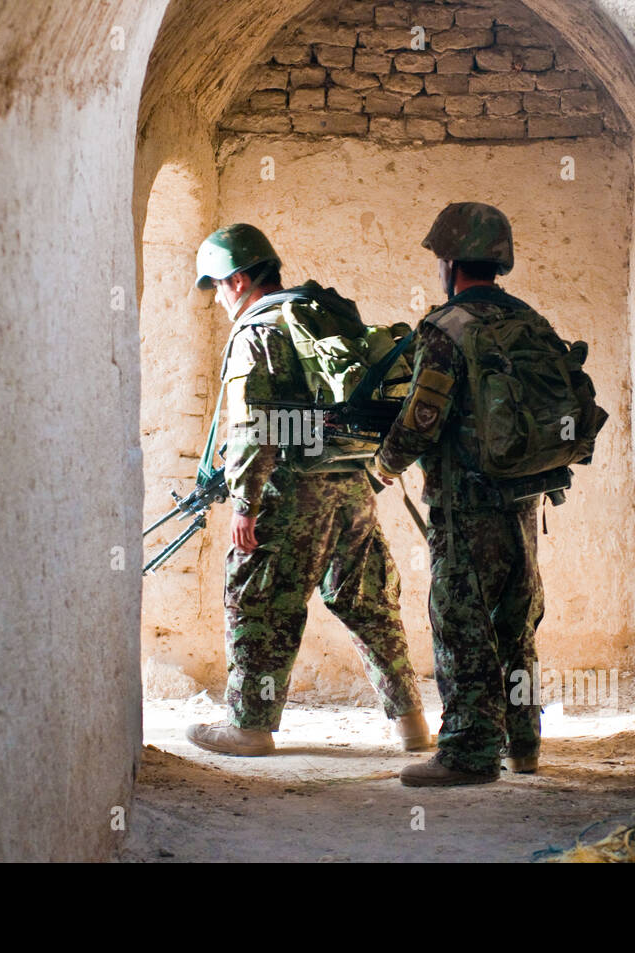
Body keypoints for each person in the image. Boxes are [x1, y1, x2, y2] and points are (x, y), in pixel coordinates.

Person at [184, 223, 431, 756]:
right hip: (350, 483)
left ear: (242, 279)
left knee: (258, 602)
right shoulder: (316, 316)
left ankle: (249, 728)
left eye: (221, 285)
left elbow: (255, 426)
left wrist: (245, 503)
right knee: (368, 602)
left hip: (288, 492)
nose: (221, 298)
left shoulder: (258, 331)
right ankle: (411, 724)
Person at [373, 202, 548, 786]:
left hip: (466, 507)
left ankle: (469, 754)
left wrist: (383, 465)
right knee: (515, 623)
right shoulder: (529, 322)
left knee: (461, 622)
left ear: (449, 262)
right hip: (524, 503)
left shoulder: (446, 328)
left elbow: (423, 417)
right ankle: (523, 744)